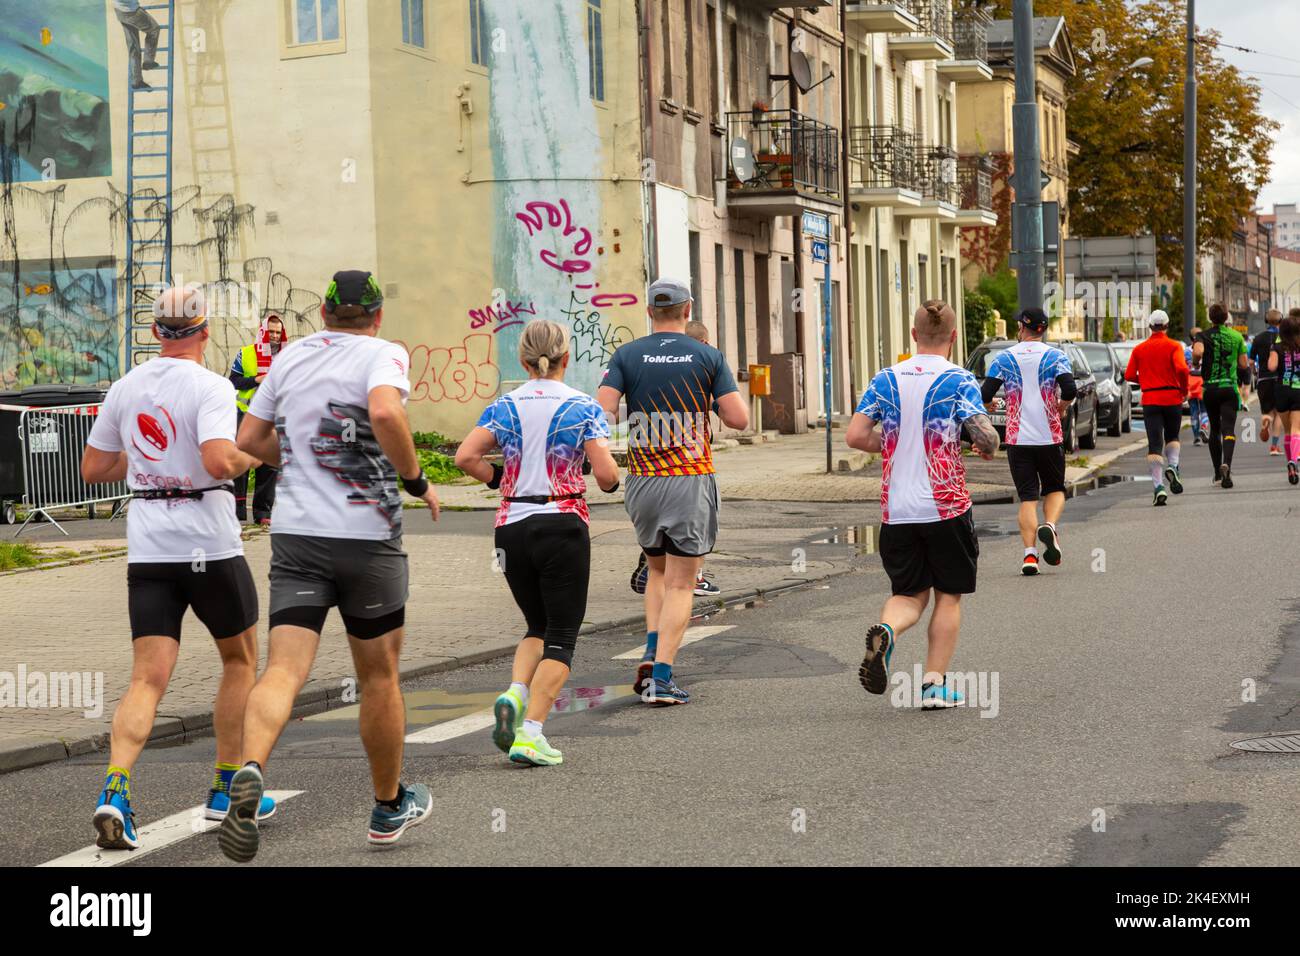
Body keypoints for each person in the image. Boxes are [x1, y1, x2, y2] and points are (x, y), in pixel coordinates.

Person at [221, 270, 440, 862]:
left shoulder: (289, 358)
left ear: (322, 311)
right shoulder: (382, 354)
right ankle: (388, 806)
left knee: (284, 669)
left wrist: (294, 456)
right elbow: (388, 416)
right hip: (366, 537)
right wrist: (416, 480)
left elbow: (247, 437)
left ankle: (250, 768)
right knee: (378, 677)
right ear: (377, 314)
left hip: (296, 536)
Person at [80, 285, 274, 850]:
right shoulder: (211, 385)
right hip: (208, 544)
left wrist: (148, 463)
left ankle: (116, 791)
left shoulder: (126, 386)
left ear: (155, 331)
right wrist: (254, 453)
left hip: (149, 547)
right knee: (239, 660)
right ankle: (222, 787)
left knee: (147, 679)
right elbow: (218, 459)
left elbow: (95, 467)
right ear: (204, 329)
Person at [455, 321, 620, 766]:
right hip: (562, 522)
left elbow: (465, 457)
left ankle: (514, 692)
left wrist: (497, 480)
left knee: (536, 626)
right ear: (566, 359)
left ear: (523, 361)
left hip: (511, 527)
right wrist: (602, 473)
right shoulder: (582, 406)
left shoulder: (503, 406)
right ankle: (531, 733)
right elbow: (606, 477)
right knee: (563, 638)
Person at [597, 277, 749, 705]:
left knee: (657, 571)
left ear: (649, 312)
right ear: (688, 310)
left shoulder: (626, 355)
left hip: (642, 482)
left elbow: (602, 411)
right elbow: (740, 419)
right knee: (683, 583)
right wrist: (714, 399)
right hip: (688, 479)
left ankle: (650, 649)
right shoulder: (707, 356)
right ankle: (660, 678)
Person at [845, 301, 999, 708]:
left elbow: (856, 436)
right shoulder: (960, 380)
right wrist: (975, 434)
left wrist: (891, 443)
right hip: (946, 506)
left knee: (909, 594)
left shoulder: (884, 379)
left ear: (913, 336)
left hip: (897, 509)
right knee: (948, 595)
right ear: (952, 337)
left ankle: (887, 630)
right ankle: (933, 686)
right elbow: (988, 442)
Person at [980, 307, 1076, 575]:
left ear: (1022, 328)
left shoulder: (1005, 357)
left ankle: (1029, 556)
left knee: (1027, 497)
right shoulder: (1056, 356)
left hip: (1017, 438)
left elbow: (985, 391)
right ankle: (1051, 527)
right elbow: (1070, 388)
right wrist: (1062, 406)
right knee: (1055, 488)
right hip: (1050, 436)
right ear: (1043, 329)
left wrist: (990, 403)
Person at [1124, 310, 1189, 505]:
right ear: (1167, 326)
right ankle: (1174, 466)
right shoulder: (1174, 346)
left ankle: (1159, 486)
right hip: (1172, 397)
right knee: (1172, 437)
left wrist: (1144, 379)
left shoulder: (1139, 349)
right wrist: (1183, 389)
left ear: (1150, 327)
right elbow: (1182, 369)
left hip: (1151, 399)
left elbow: (1128, 375)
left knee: (1154, 444)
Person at [230, 314, 288, 525]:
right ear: (263, 331)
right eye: (270, 331)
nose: (273, 336)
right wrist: (257, 379)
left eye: (277, 332)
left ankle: (263, 513)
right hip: (245, 414)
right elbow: (233, 381)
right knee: (240, 462)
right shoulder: (246, 354)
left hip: (275, 416)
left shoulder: (287, 355)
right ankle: (237, 511)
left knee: (270, 464)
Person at [1193, 304, 1251, 488]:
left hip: (1210, 389)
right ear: (1226, 318)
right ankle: (1227, 463)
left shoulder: (1203, 335)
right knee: (1229, 430)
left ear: (1210, 318)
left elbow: (1198, 352)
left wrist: (1196, 362)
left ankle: (1217, 473)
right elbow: (1243, 364)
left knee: (1214, 430)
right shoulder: (1236, 336)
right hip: (1229, 389)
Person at [1267, 314, 1300, 485]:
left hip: (1281, 390)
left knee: (1287, 431)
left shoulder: (1276, 346)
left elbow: (1271, 367)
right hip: (1298, 388)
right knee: (1297, 429)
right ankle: (1294, 460)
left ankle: (1292, 465)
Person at [1250, 309, 1283, 456]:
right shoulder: (1283, 338)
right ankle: (1274, 447)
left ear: (1265, 320)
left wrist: (1256, 373)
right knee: (1278, 414)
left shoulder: (1257, 338)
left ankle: (1266, 420)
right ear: (1280, 321)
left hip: (1263, 379)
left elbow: (1251, 361)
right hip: (1279, 378)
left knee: (1267, 411)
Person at [112, 1, 162, 92]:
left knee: (133, 47)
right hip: (131, 11)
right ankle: (148, 62)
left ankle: (136, 81)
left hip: (120, 11)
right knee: (154, 30)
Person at [1186, 328, 1208, 445]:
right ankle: (1203, 427)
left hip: (1190, 382)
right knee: (1205, 408)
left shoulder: (1186, 352)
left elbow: (1183, 369)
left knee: (1194, 410)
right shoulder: (1206, 350)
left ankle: (1196, 437)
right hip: (1203, 381)